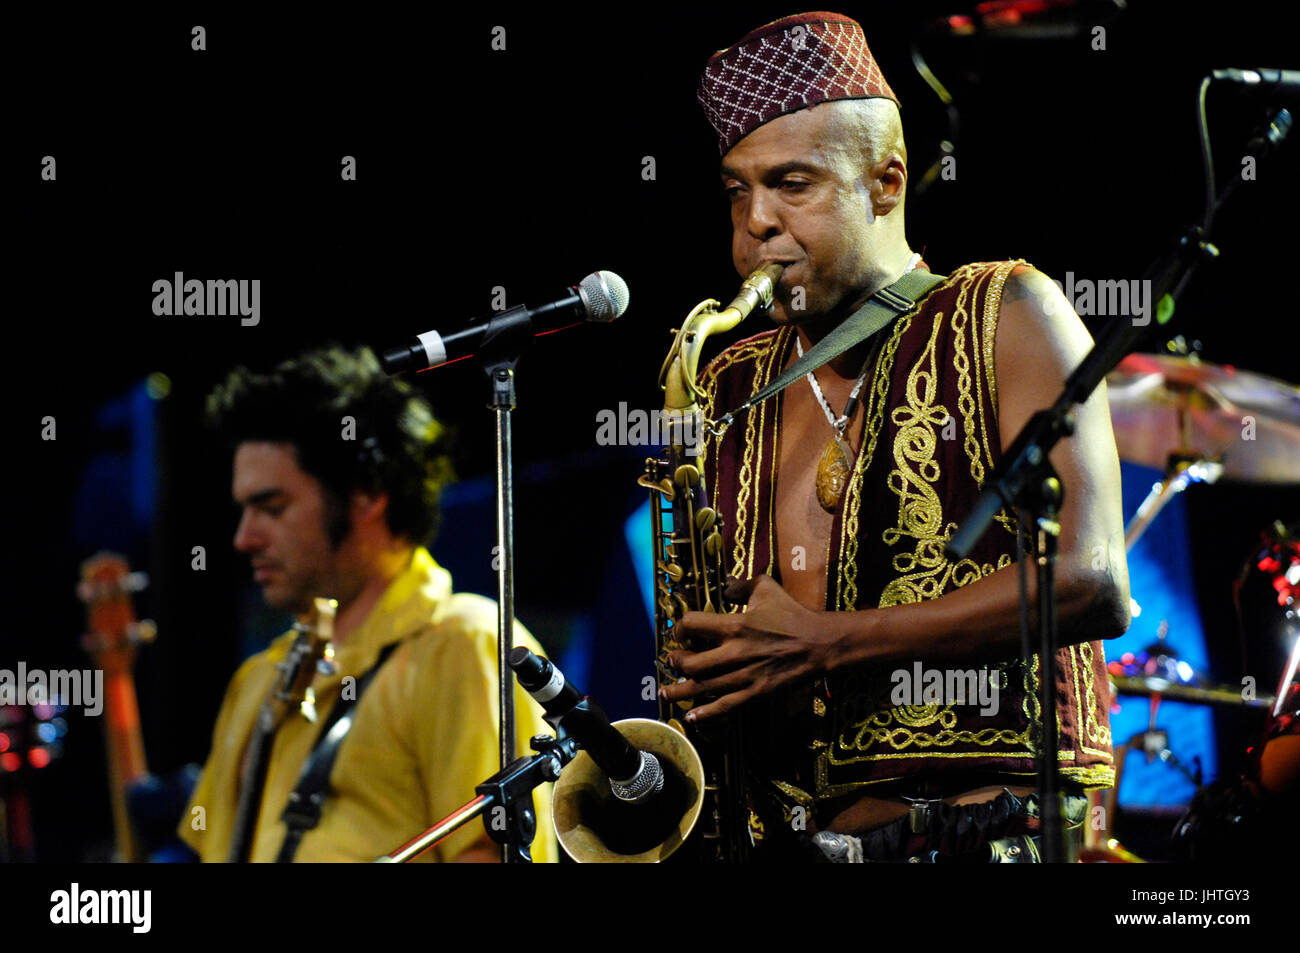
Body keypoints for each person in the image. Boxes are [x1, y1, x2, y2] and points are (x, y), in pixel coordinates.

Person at [660, 12, 1130, 861]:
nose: (755, 222)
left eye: (792, 183)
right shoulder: (728, 381)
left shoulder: (1008, 309)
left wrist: (823, 643)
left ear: (887, 181)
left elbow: (1092, 583)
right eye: (738, 190)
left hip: (984, 832)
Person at [179, 346, 556, 862]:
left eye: (271, 507)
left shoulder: (464, 643)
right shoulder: (255, 680)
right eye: (243, 510)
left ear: (366, 494)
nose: (244, 538)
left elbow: (492, 854)